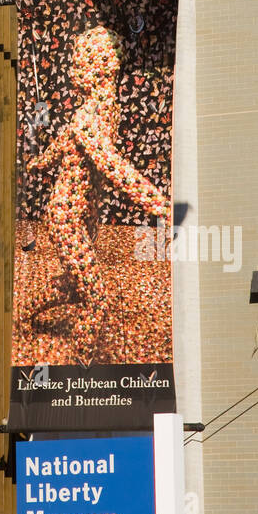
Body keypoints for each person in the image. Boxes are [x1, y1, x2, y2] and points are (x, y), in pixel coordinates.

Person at [27, 24, 167, 362]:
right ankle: (81, 365)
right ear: (104, 67)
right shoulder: (90, 115)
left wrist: (40, 162)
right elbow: (110, 164)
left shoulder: (98, 110)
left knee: (77, 283)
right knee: (97, 297)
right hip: (67, 219)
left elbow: (62, 146)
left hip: (80, 217)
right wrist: (159, 203)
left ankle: (29, 308)